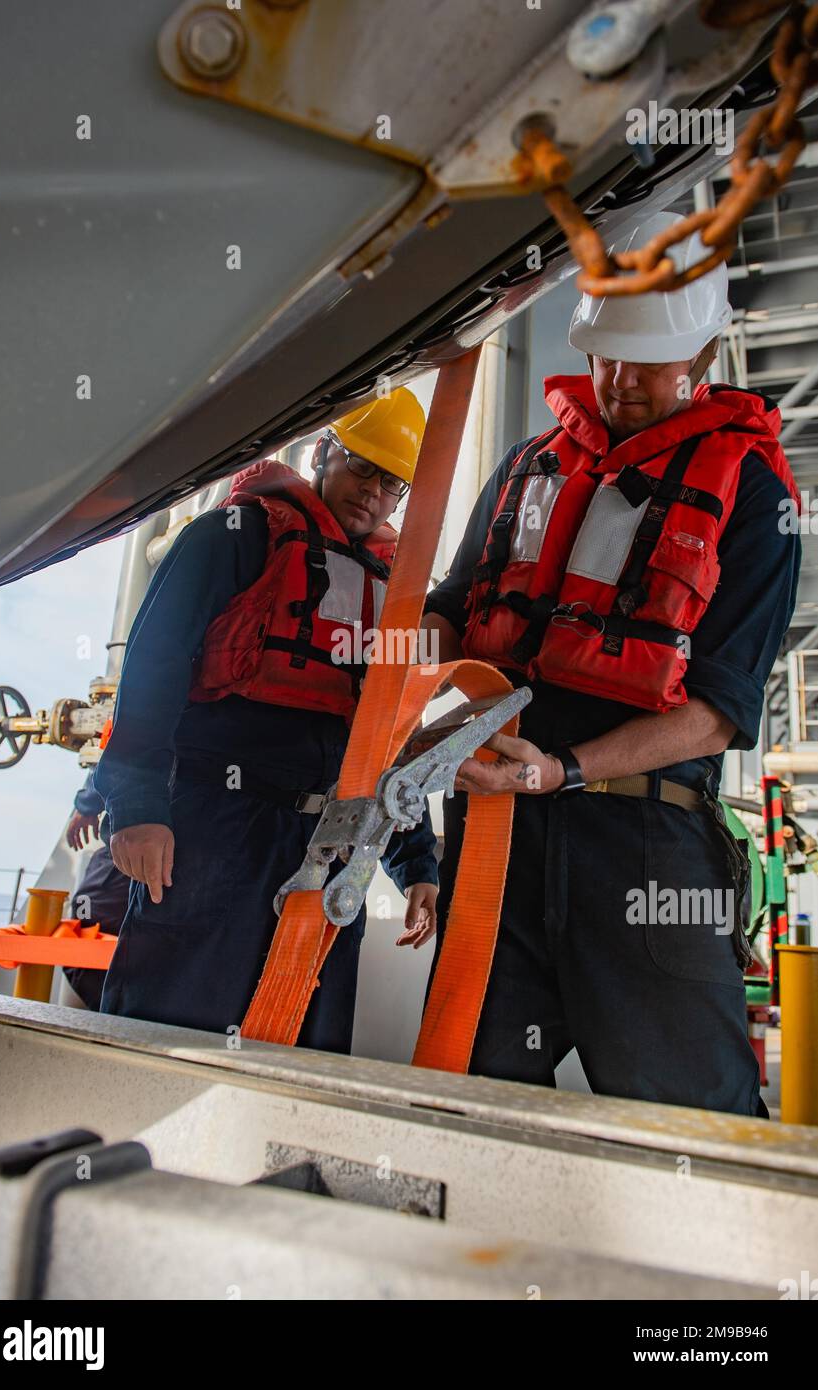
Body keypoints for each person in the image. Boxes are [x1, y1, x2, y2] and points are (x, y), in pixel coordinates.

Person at [421, 212, 801, 1117]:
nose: (621, 381)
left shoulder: (753, 497)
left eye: (649, 360)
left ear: (702, 358)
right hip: (492, 843)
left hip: (643, 853)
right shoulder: (525, 466)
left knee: (692, 1116)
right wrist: (423, 725)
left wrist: (563, 770)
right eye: (605, 356)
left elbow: (715, 711)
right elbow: (445, 611)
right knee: (465, 1097)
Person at [95, 389, 438, 1048]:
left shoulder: (391, 591)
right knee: (170, 1032)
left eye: (391, 484)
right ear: (322, 453)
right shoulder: (239, 535)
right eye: (362, 467)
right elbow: (152, 668)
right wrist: (136, 807)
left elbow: (384, 741)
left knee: (307, 1048)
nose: (373, 493)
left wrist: (416, 863)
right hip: (213, 830)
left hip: (333, 848)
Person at [62, 772, 130, 1010]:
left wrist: (88, 803)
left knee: (84, 929)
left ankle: (117, 1024)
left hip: (132, 848)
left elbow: (126, 744)